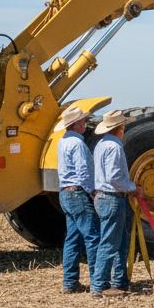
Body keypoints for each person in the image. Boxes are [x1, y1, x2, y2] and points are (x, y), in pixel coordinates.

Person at [91, 110, 143, 298]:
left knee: (120, 242)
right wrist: (133, 188)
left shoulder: (101, 144)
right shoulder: (114, 147)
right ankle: (99, 286)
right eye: (123, 126)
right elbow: (114, 178)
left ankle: (119, 282)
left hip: (103, 197)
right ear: (119, 128)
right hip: (112, 197)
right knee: (109, 243)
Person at [55, 106, 100, 294]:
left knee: (72, 239)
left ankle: (70, 282)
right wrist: (93, 192)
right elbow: (83, 173)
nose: (85, 124)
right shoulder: (78, 144)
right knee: (92, 237)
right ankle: (99, 281)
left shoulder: (63, 142)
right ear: (76, 124)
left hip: (65, 193)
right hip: (78, 193)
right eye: (83, 121)